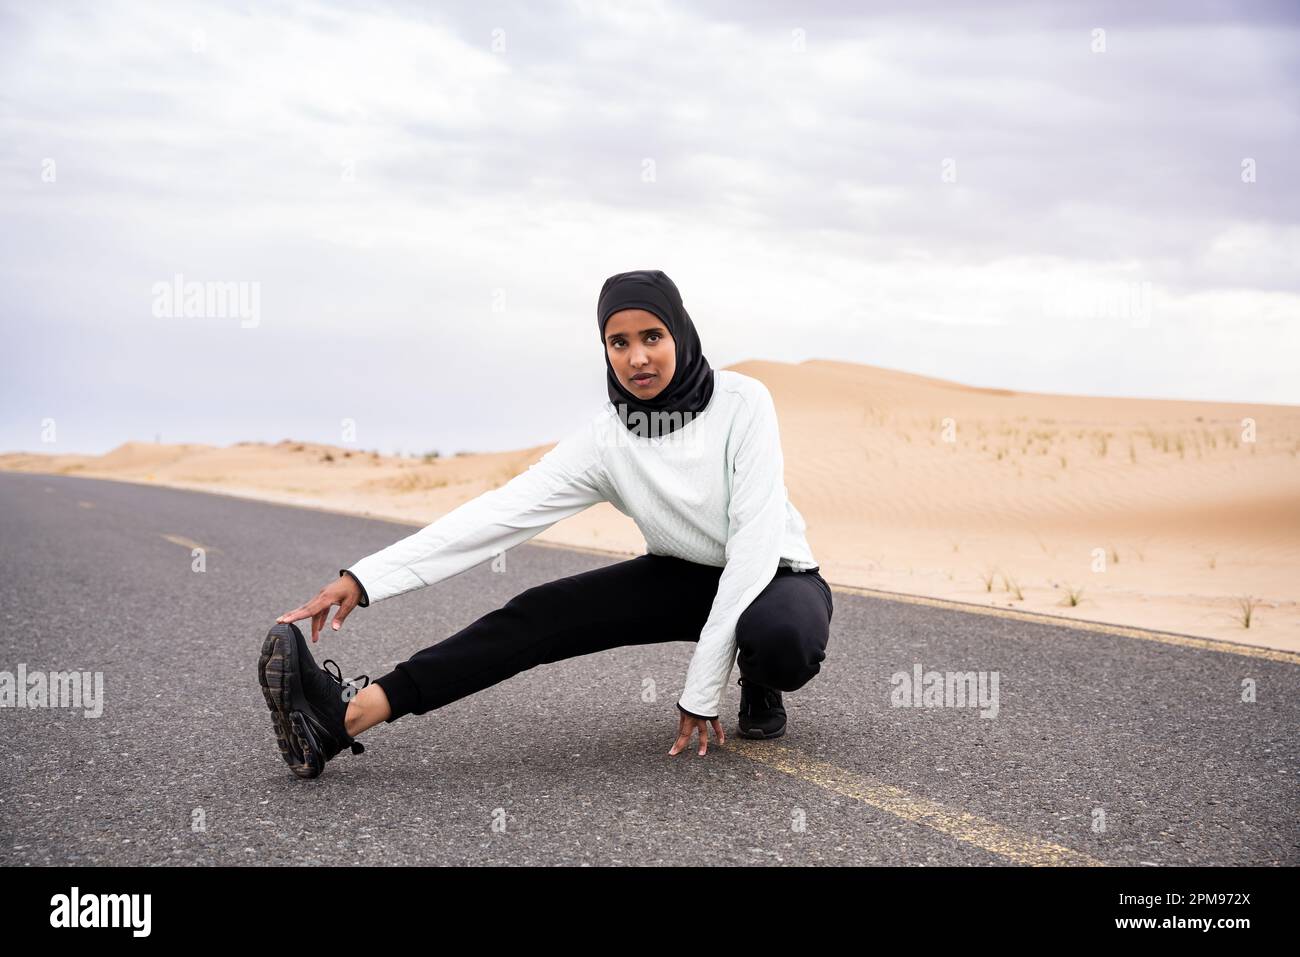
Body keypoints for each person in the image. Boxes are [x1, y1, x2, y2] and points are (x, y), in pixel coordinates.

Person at [259, 269, 833, 780]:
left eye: (652, 337)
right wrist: (364, 579)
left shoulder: (742, 403)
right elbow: (497, 515)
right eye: (619, 342)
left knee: (779, 638)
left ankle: (760, 682)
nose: (637, 358)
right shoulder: (607, 438)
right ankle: (343, 719)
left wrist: (702, 688)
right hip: (680, 576)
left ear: (680, 334)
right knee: (538, 614)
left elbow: (755, 543)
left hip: (773, 576)